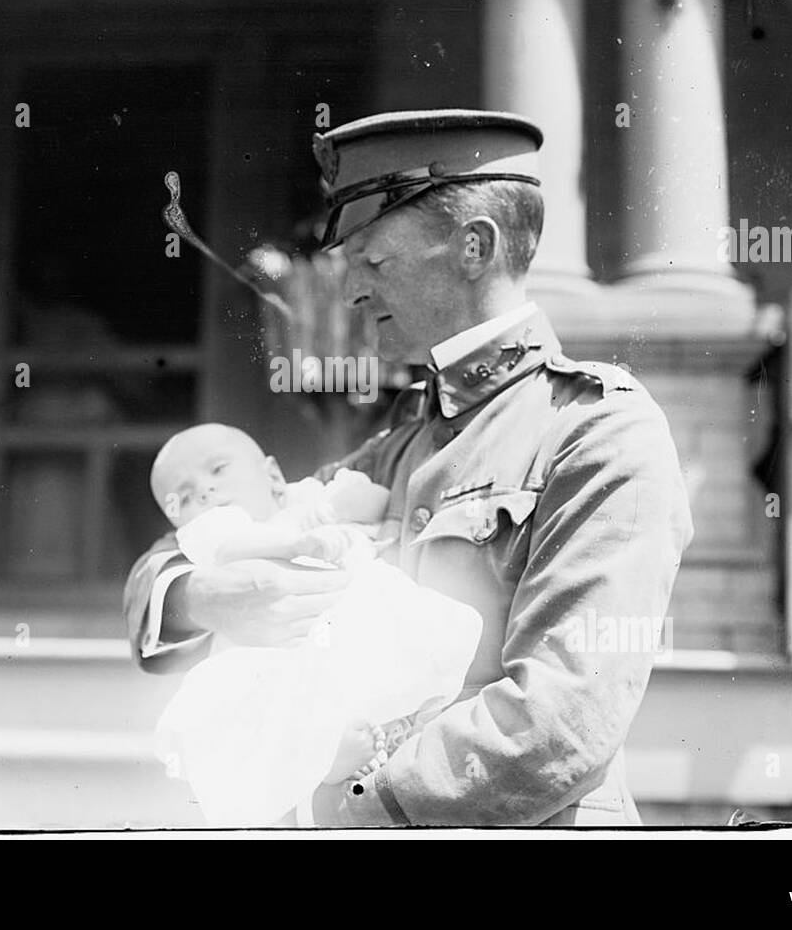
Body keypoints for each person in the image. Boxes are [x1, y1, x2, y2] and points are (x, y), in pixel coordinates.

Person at [124, 109, 695, 826]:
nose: (353, 290)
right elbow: (202, 542)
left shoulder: (597, 431)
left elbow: (558, 723)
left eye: (373, 261)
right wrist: (202, 595)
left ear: (473, 248)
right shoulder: (401, 444)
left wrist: (334, 805)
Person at [148, 423, 482, 826]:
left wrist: (332, 507)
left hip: (350, 620)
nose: (203, 491)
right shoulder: (214, 529)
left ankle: (385, 736)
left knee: (397, 653)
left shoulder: (306, 496)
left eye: (218, 470)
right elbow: (233, 546)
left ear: (272, 475)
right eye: (184, 496)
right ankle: (327, 762)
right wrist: (296, 541)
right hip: (272, 651)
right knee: (274, 709)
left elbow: (374, 500)